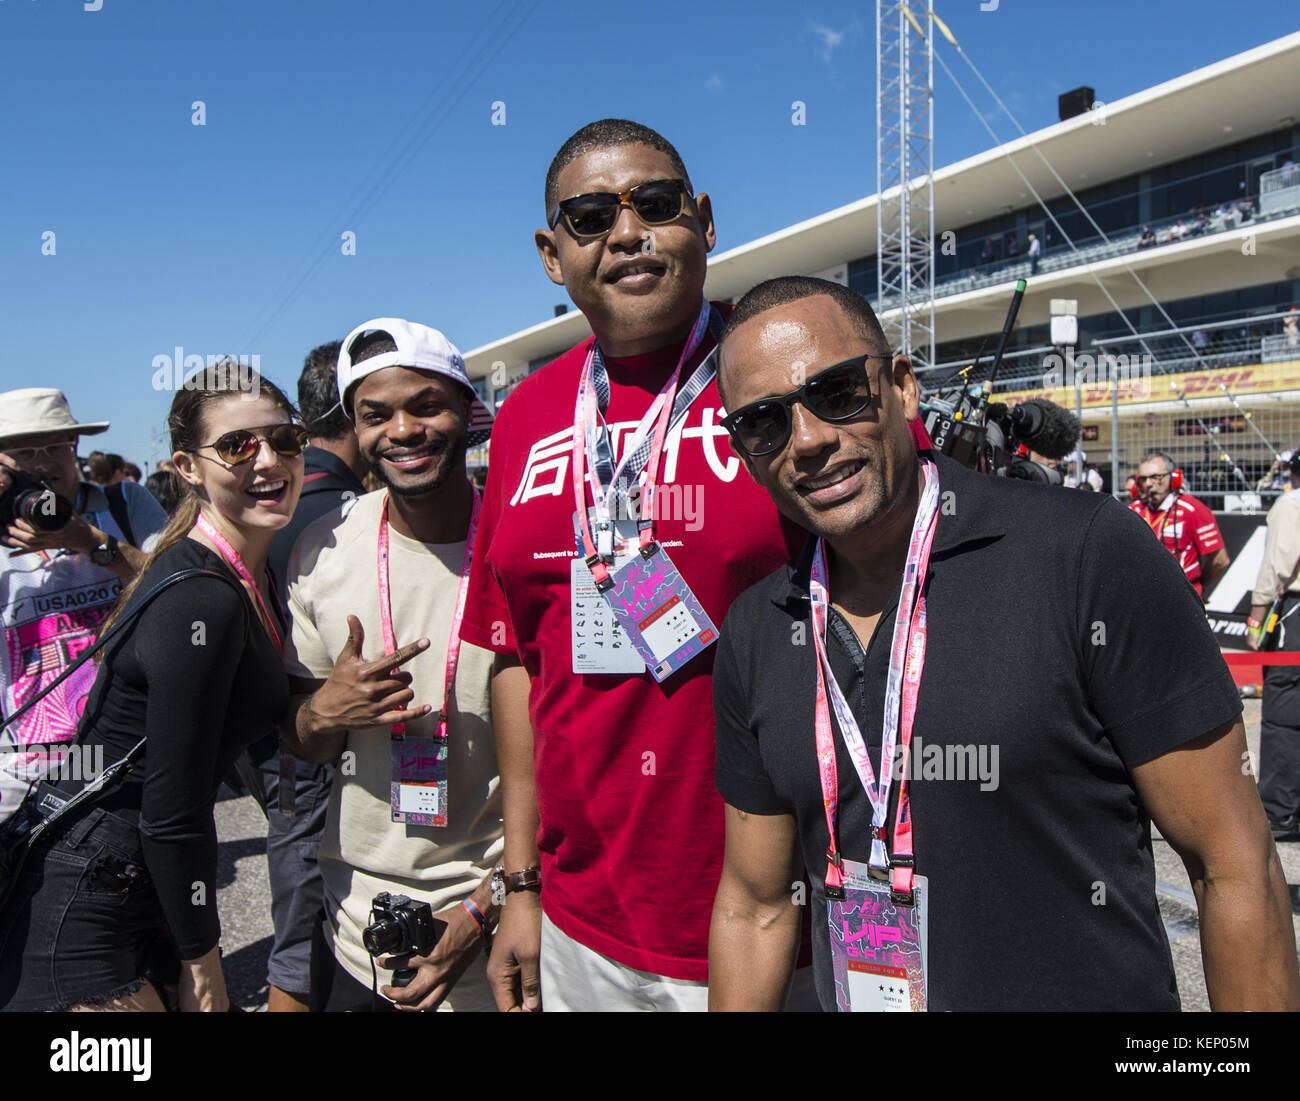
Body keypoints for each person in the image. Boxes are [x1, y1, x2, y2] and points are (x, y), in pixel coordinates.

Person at [706, 275, 1300, 1011]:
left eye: (836, 394)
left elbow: (1233, 864)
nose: (808, 440)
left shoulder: (1083, 551)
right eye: (764, 422)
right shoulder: (757, 629)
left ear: (901, 387)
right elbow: (756, 904)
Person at [460, 119, 813, 1012]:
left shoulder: (793, 375)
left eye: (655, 205)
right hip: (585, 921)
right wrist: (520, 884)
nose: (626, 232)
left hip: (789, 920)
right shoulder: (524, 417)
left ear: (703, 220)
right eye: (589, 217)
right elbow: (516, 659)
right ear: (552, 253)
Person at [0, 362, 307, 1011]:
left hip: (133, 881)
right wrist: (205, 964)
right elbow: (174, 813)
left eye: (284, 438)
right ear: (188, 467)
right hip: (88, 895)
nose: (268, 459)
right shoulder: (201, 593)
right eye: (236, 444)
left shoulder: (245, 567)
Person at [280, 318, 501, 1013]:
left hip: (501, 926)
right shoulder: (324, 548)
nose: (402, 430)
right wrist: (322, 712)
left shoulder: (521, 539)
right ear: (355, 426)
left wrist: (490, 903)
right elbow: (303, 741)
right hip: (360, 931)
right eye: (376, 415)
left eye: (425, 406)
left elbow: (580, 760)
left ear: (468, 411)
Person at [242, 340, 370, 1013]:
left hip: (267, 747)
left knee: (301, 906)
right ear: (356, 410)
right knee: (307, 923)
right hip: (319, 747)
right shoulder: (344, 514)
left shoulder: (272, 496)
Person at [0, 389, 169, 824]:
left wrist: (91, 542)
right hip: (23, 771)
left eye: (56, 446)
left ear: (76, 447)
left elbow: (182, 589)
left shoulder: (125, 503)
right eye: (24, 452)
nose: (43, 463)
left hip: (134, 756)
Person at [1247, 449, 1300, 841]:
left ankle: (1280, 811)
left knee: (1282, 710)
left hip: (1296, 613)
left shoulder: (1291, 502)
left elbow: (1278, 566)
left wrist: (1256, 617)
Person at [1128, 451, 1230, 601]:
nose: (1149, 484)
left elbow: (1220, 561)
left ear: (1174, 478)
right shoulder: (1133, 511)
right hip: (1142, 599)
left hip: (1183, 600)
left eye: (1156, 477)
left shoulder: (1192, 509)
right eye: (1143, 479)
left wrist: (1196, 588)